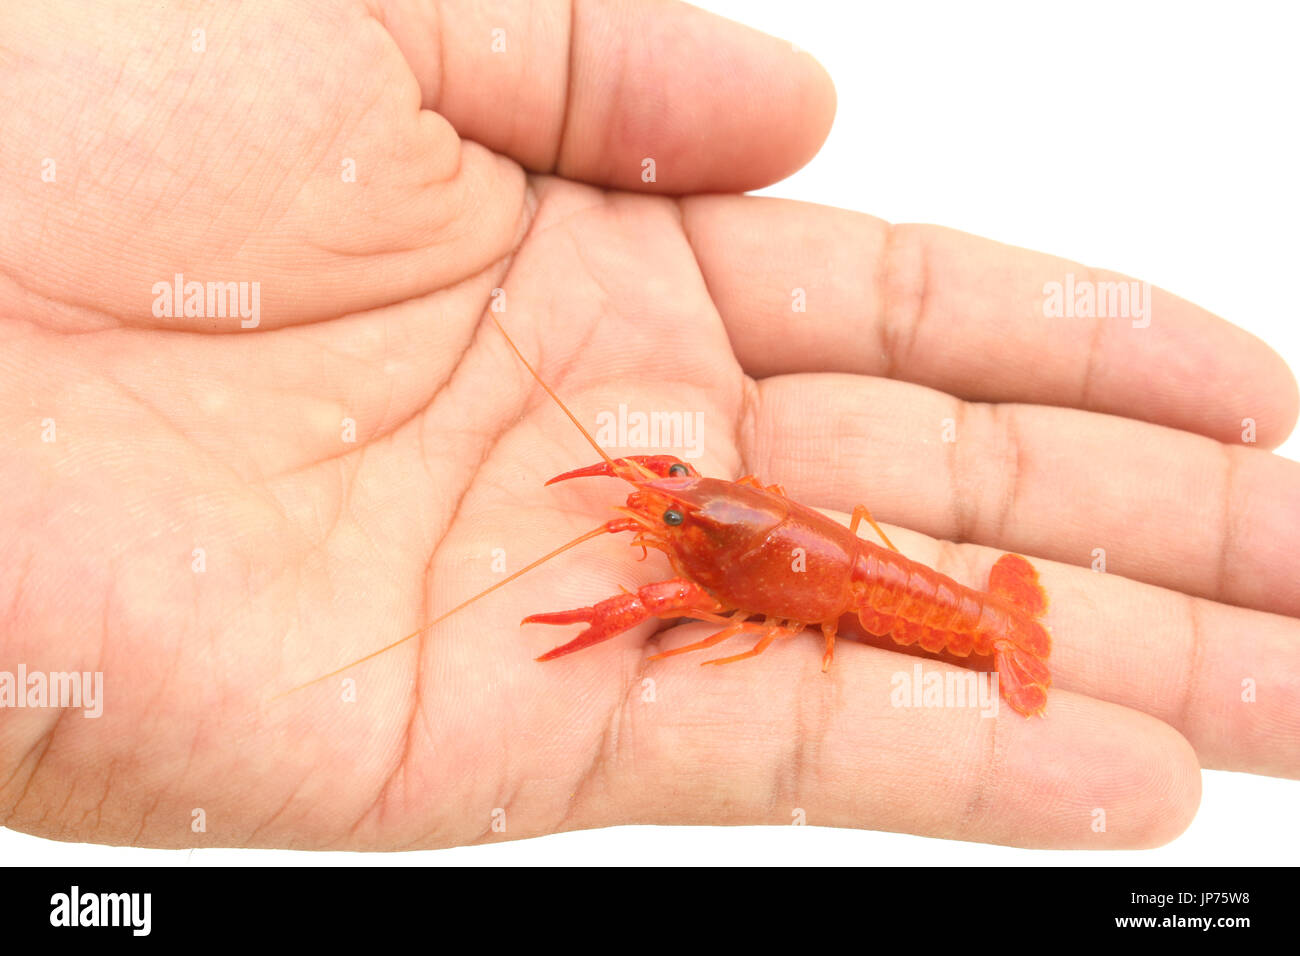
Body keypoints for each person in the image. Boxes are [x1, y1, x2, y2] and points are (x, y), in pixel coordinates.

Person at [1, 0, 1295, 852]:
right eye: (676, 503)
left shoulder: (735, 571)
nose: (661, 507)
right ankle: (987, 618)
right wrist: (685, 511)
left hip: (900, 603)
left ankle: (993, 634)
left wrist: (707, 562)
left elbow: (731, 597)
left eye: (673, 507)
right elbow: (697, 512)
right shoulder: (720, 513)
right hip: (855, 573)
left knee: (772, 583)